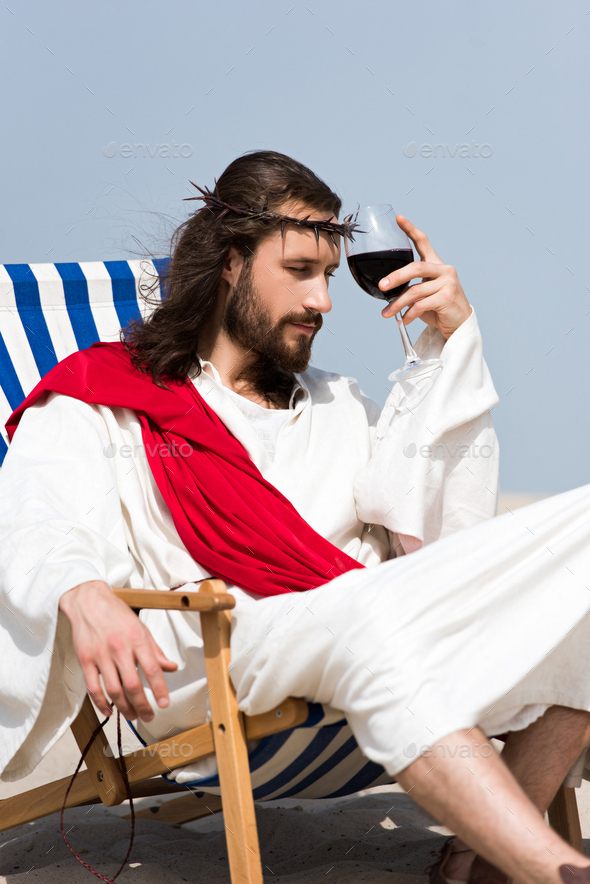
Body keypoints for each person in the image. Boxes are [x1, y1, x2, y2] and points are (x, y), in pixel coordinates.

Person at [2, 149, 590, 884]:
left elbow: (437, 536)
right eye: (301, 271)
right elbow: (37, 516)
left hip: (369, 628)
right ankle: (555, 871)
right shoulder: (108, 395)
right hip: (219, 653)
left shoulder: (342, 403)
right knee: (369, 618)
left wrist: (451, 347)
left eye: (330, 275)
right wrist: (81, 592)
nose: (325, 301)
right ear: (230, 264)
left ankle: (479, 859)